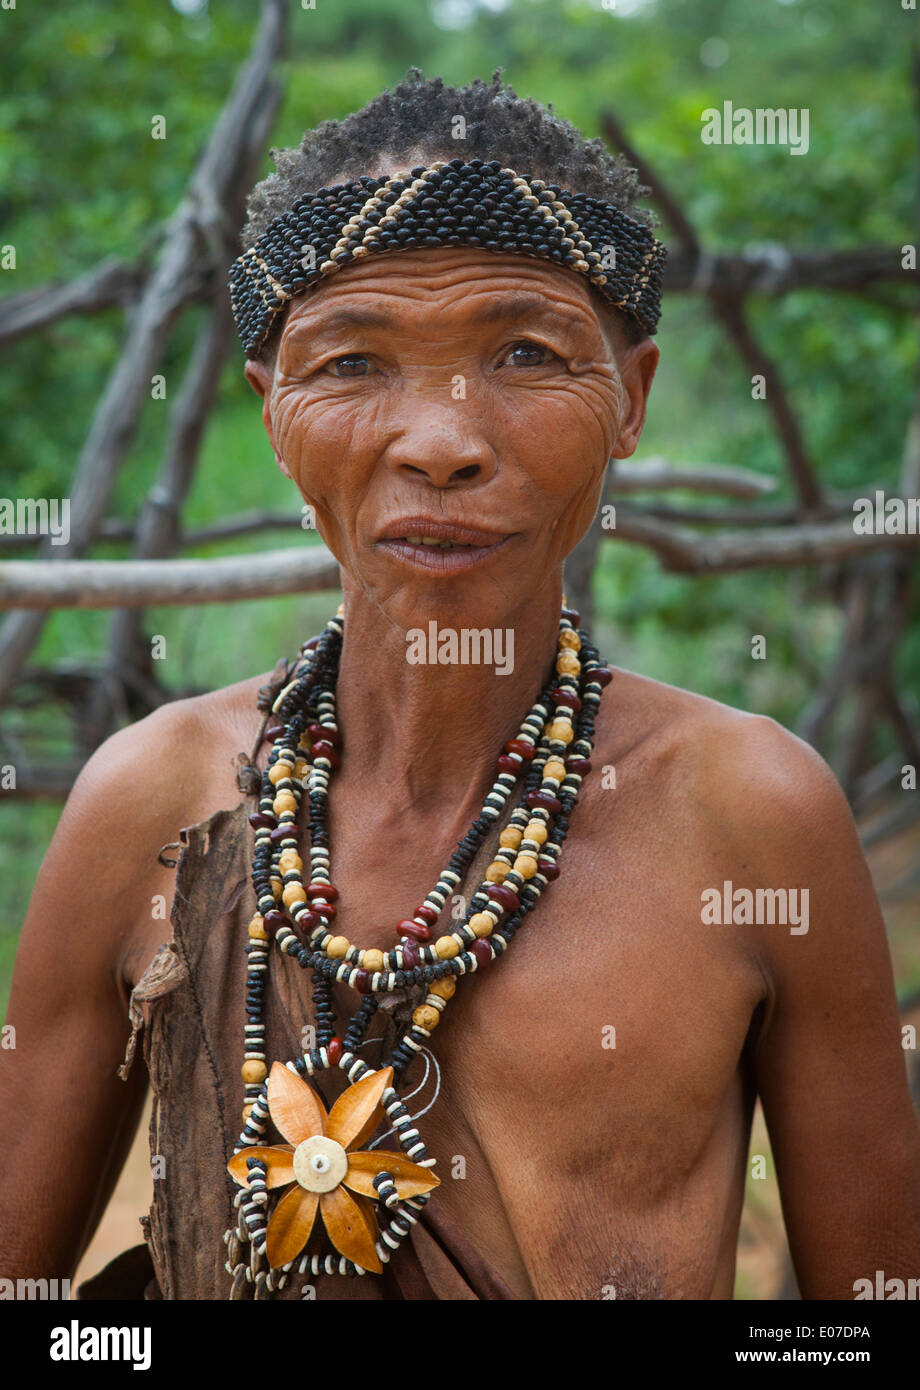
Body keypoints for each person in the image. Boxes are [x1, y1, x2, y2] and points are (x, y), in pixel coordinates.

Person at [2, 71, 918, 1302]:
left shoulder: (750, 817)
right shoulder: (147, 805)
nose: (441, 439)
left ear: (631, 399)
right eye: (354, 362)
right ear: (273, 413)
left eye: (527, 352)